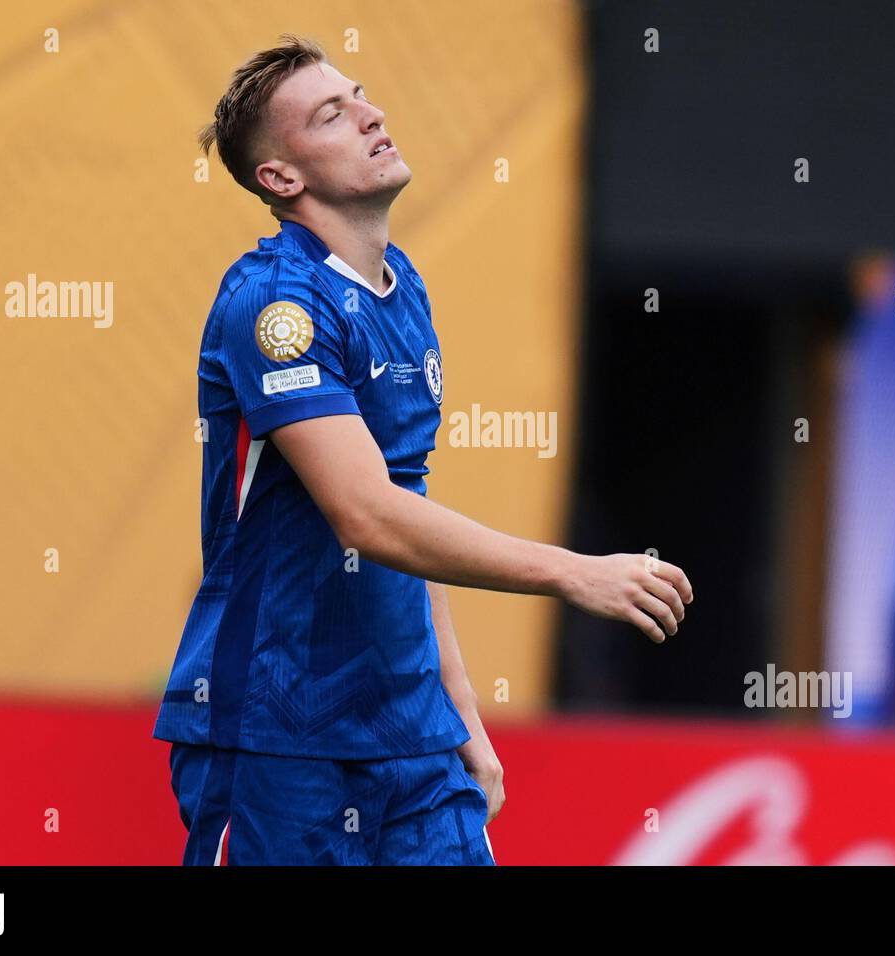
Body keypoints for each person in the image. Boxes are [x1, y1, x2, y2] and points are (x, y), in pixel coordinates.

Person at [152, 35, 693, 865]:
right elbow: (367, 516)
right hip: (279, 739)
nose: (371, 114)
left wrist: (458, 709)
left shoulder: (402, 289)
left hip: (411, 742)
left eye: (361, 95)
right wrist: (574, 570)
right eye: (333, 114)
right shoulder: (272, 305)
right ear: (281, 178)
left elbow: (407, 505)